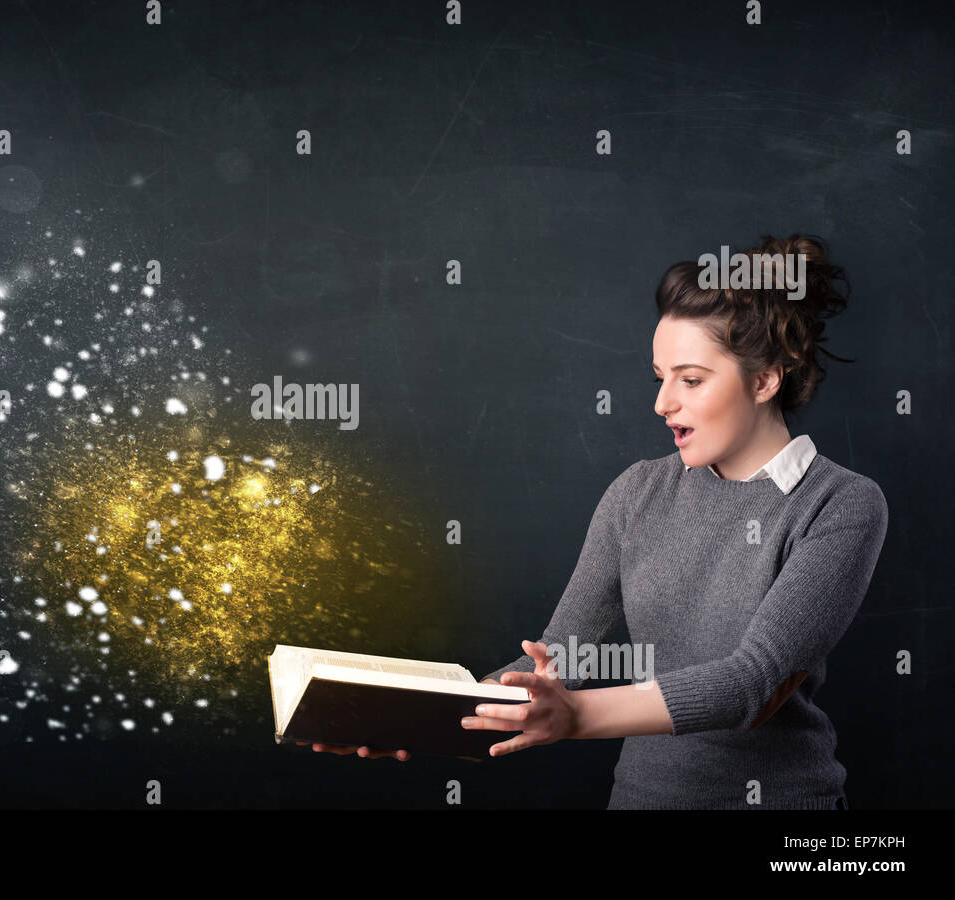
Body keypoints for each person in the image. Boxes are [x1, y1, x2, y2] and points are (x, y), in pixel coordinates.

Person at [303, 234, 888, 810]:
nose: (663, 403)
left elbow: (752, 686)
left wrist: (576, 717)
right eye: (659, 377)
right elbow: (563, 658)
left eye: (690, 379)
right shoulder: (639, 491)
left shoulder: (840, 504)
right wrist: (415, 718)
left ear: (764, 381)